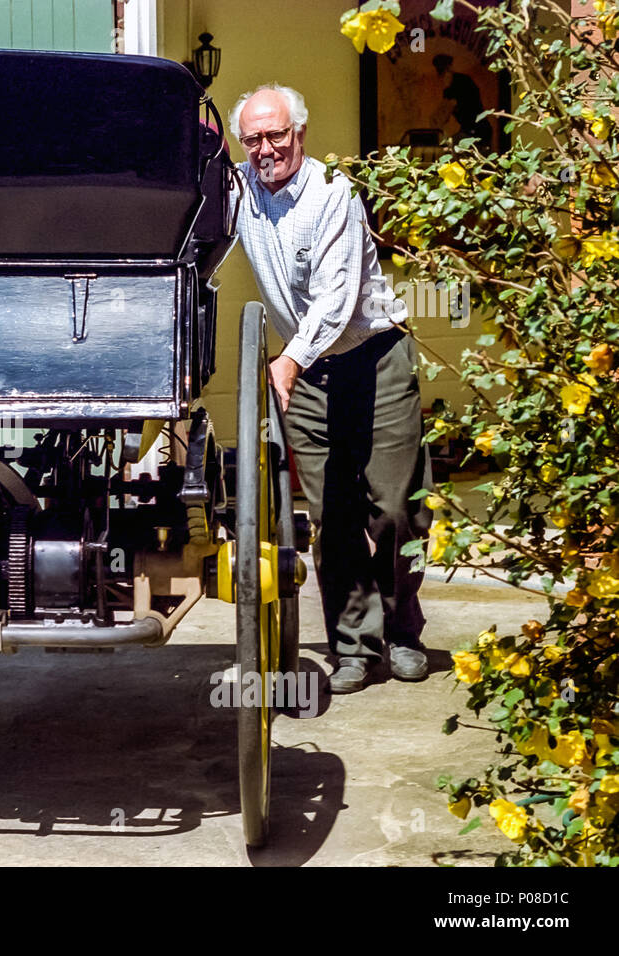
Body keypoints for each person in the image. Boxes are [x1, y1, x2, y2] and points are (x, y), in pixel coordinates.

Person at [227, 83, 433, 693]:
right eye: (255, 138)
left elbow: (337, 302)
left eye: (278, 135)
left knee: (396, 511)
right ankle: (354, 645)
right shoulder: (238, 190)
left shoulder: (332, 195)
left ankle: (401, 631)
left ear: (301, 134)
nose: (267, 149)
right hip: (310, 372)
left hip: (375, 357)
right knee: (332, 516)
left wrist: (287, 361)